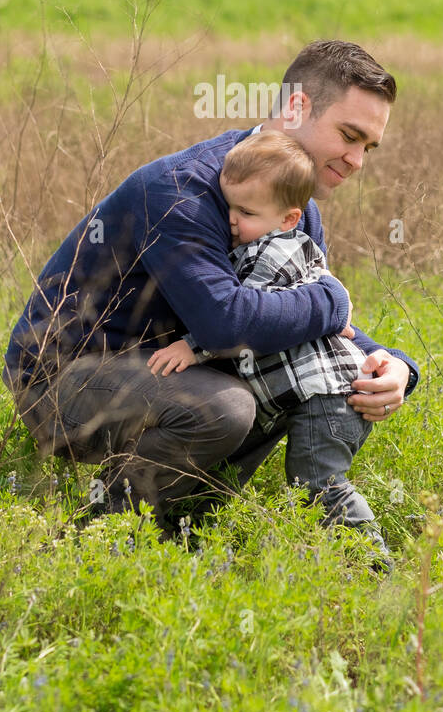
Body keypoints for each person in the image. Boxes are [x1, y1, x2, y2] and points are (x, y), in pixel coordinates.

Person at [1, 40, 420, 541]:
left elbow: (293, 310)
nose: (357, 160)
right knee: (228, 406)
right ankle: (104, 531)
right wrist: (335, 301)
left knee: (310, 376)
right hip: (63, 379)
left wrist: (391, 363)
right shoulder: (183, 188)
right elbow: (227, 322)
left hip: (166, 373)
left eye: (367, 147)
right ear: (296, 107)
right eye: (349, 136)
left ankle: (186, 527)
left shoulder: (292, 201)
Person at [146, 130, 394, 562]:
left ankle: (373, 566)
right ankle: (188, 535)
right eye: (230, 208)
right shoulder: (267, 240)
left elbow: (246, 319)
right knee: (298, 481)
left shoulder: (274, 252)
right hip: (313, 396)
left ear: (288, 218)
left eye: (246, 211)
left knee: (319, 484)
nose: (232, 221)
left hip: (327, 400)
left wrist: (192, 347)